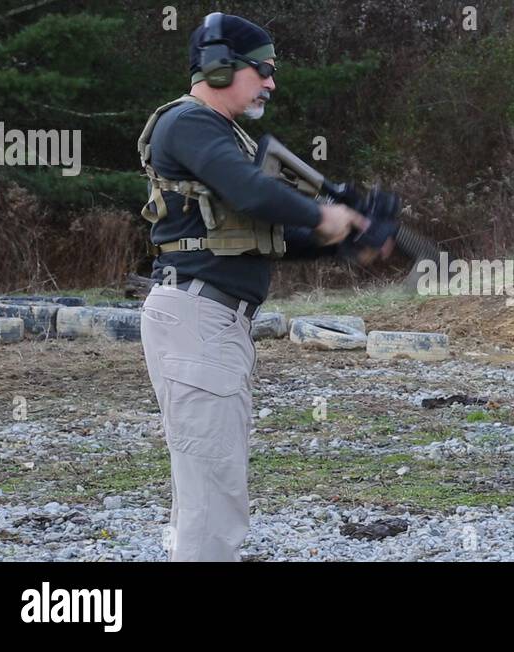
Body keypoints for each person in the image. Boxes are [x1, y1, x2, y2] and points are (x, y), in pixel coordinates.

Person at [137, 12, 387, 561]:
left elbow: (262, 237)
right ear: (220, 67)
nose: (272, 82)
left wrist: (345, 238)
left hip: (211, 323)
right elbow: (254, 194)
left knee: (208, 493)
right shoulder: (191, 124)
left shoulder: (221, 136)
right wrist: (327, 216)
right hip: (198, 320)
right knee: (212, 506)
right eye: (263, 69)